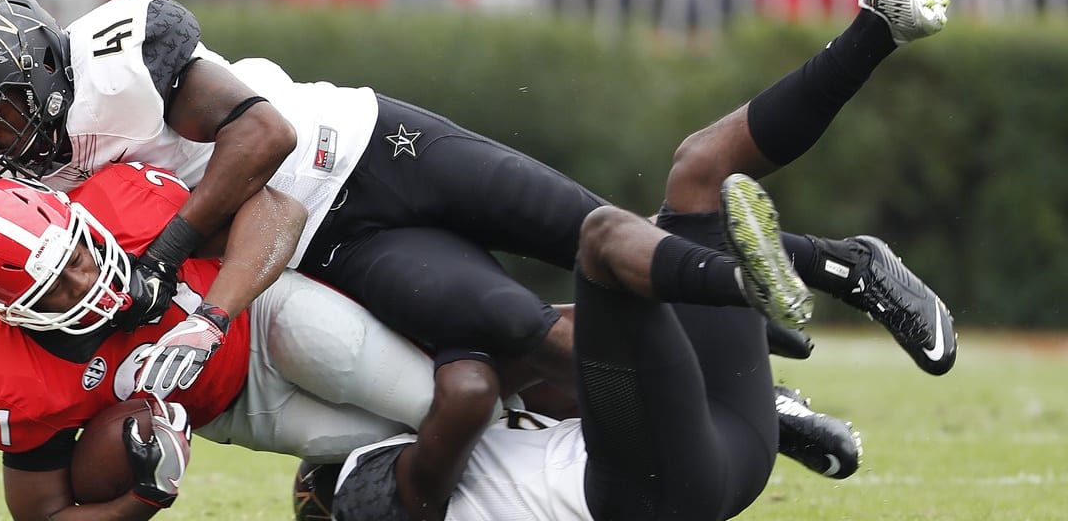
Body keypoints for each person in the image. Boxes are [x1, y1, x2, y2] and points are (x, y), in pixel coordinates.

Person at [0, 0, 956, 412]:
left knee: (595, 234)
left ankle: (830, 269)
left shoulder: (118, 51)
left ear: (44, 76)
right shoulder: (1, 156)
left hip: (360, 147)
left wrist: (172, 250)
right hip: (317, 251)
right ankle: (773, 348)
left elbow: (258, 136)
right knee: (523, 334)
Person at [326, 173, 859, 521]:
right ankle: (740, 288)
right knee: (605, 242)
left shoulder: (458, 479)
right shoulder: (408, 486)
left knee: (700, 181)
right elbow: (471, 387)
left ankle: (732, 309)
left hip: (690, 467)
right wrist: (452, 321)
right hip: (632, 483)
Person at [0, 161, 444, 520]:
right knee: (401, 442)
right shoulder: (10, 383)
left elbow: (277, 210)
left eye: (76, 258)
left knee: (435, 406)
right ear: (7, 311)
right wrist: (141, 498)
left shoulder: (121, 202)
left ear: (77, 222)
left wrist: (212, 317)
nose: (85, 284)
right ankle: (326, 486)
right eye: (52, 288)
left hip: (260, 313)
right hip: (233, 409)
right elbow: (44, 514)